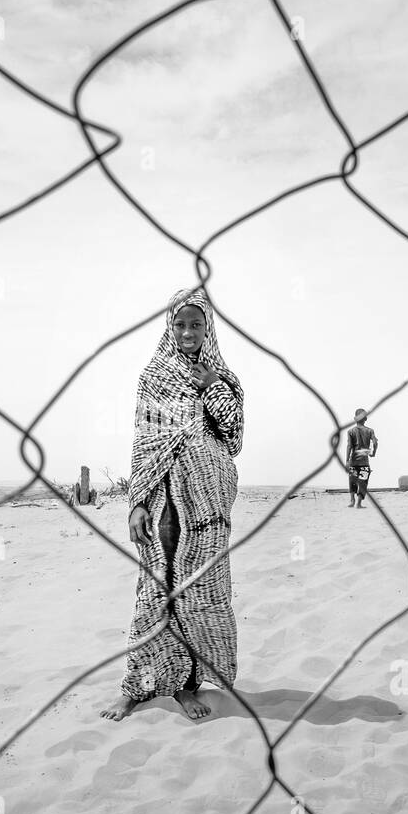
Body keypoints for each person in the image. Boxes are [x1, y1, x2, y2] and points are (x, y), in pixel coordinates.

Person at [100, 288, 244, 722]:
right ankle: (137, 687)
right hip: (164, 500)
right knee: (154, 592)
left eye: (196, 324)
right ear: (169, 326)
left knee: (199, 593)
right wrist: (137, 502)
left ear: (208, 328)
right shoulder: (154, 376)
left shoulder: (224, 376)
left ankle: (186, 686)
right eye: (180, 324)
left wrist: (213, 388)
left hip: (210, 504)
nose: (187, 332)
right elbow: (145, 442)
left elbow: (234, 438)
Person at [344, 409, 377, 508]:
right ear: (365, 418)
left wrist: (347, 461)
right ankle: (359, 503)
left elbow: (349, 446)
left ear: (355, 419)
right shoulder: (370, 430)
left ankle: (352, 500)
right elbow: (375, 442)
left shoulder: (350, 431)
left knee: (352, 480)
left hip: (353, 461)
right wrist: (373, 453)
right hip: (364, 461)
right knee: (363, 482)